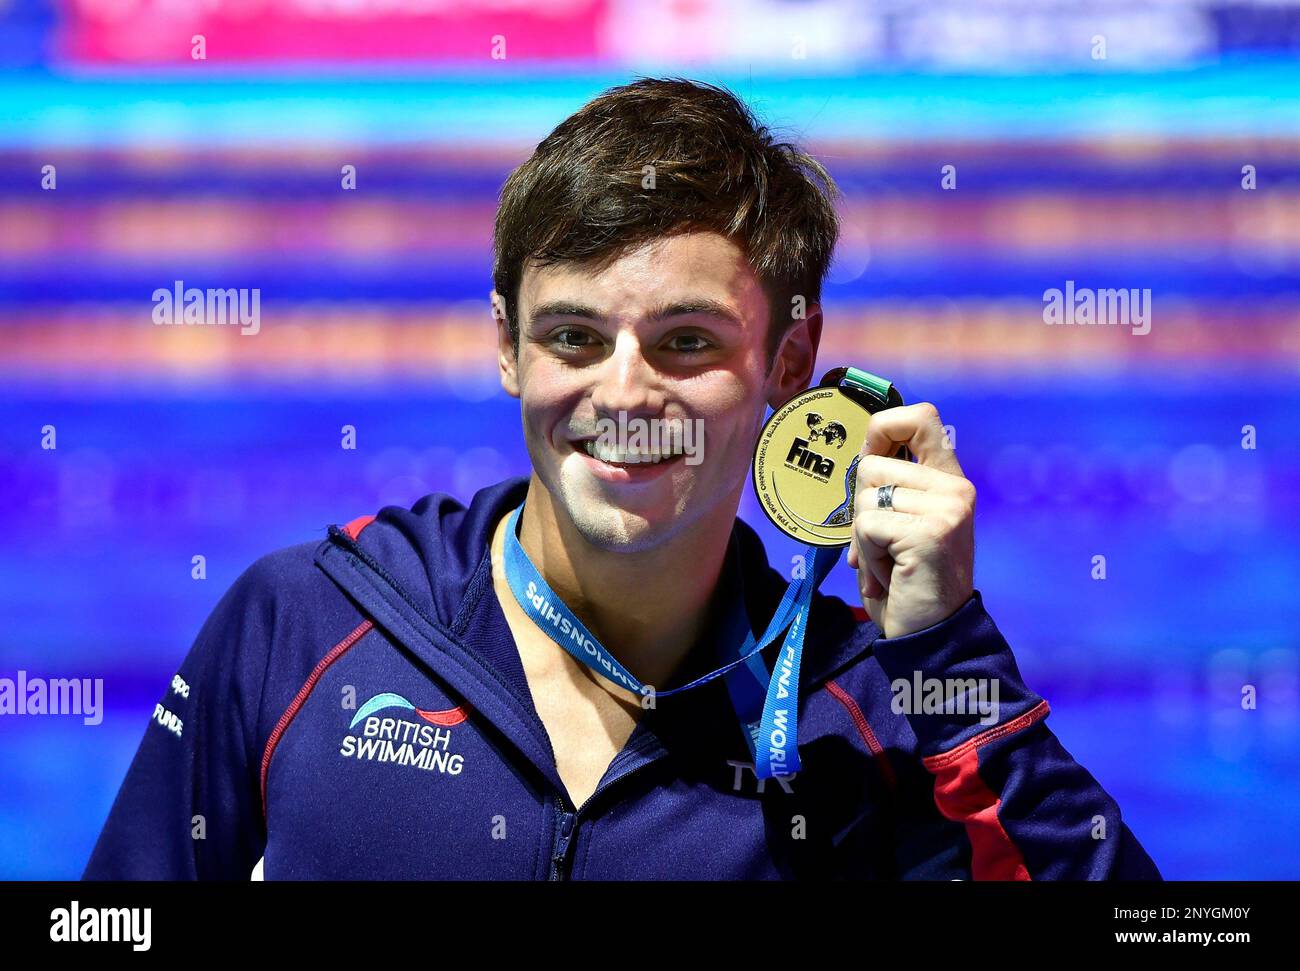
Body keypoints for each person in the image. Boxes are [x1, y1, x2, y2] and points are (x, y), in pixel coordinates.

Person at [84, 76, 1160, 880]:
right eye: (574, 336)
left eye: (685, 342)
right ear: (506, 346)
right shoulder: (312, 626)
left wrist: (948, 657)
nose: (624, 392)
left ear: (788, 362)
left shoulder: (868, 717)